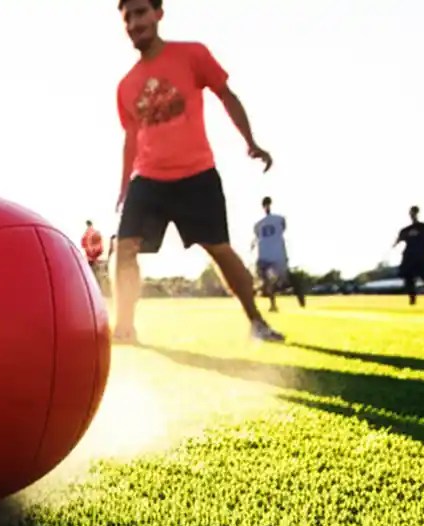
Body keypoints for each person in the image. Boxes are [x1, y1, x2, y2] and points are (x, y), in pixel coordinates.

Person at [112, 0, 283, 344]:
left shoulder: (192, 55)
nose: (134, 23)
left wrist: (250, 142)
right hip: (148, 180)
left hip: (196, 175)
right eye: (127, 17)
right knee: (124, 247)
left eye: (141, 12)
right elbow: (131, 139)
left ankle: (257, 322)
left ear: (159, 14)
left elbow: (225, 95)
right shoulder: (126, 85)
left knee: (219, 249)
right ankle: (124, 329)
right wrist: (124, 187)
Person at [252, 196, 305, 312]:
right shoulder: (279, 219)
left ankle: (295, 289)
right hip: (273, 254)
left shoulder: (259, 224)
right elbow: (282, 229)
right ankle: (273, 304)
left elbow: (257, 236)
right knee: (268, 279)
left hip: (269, 254)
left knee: (277, 280)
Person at [393, 205, 424, 306]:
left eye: (413, 213)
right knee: (408, 279)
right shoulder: (406, 230)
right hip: (409, 257)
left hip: (421, 255)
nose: (412, 215)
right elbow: (398, 240)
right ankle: (412, 300)